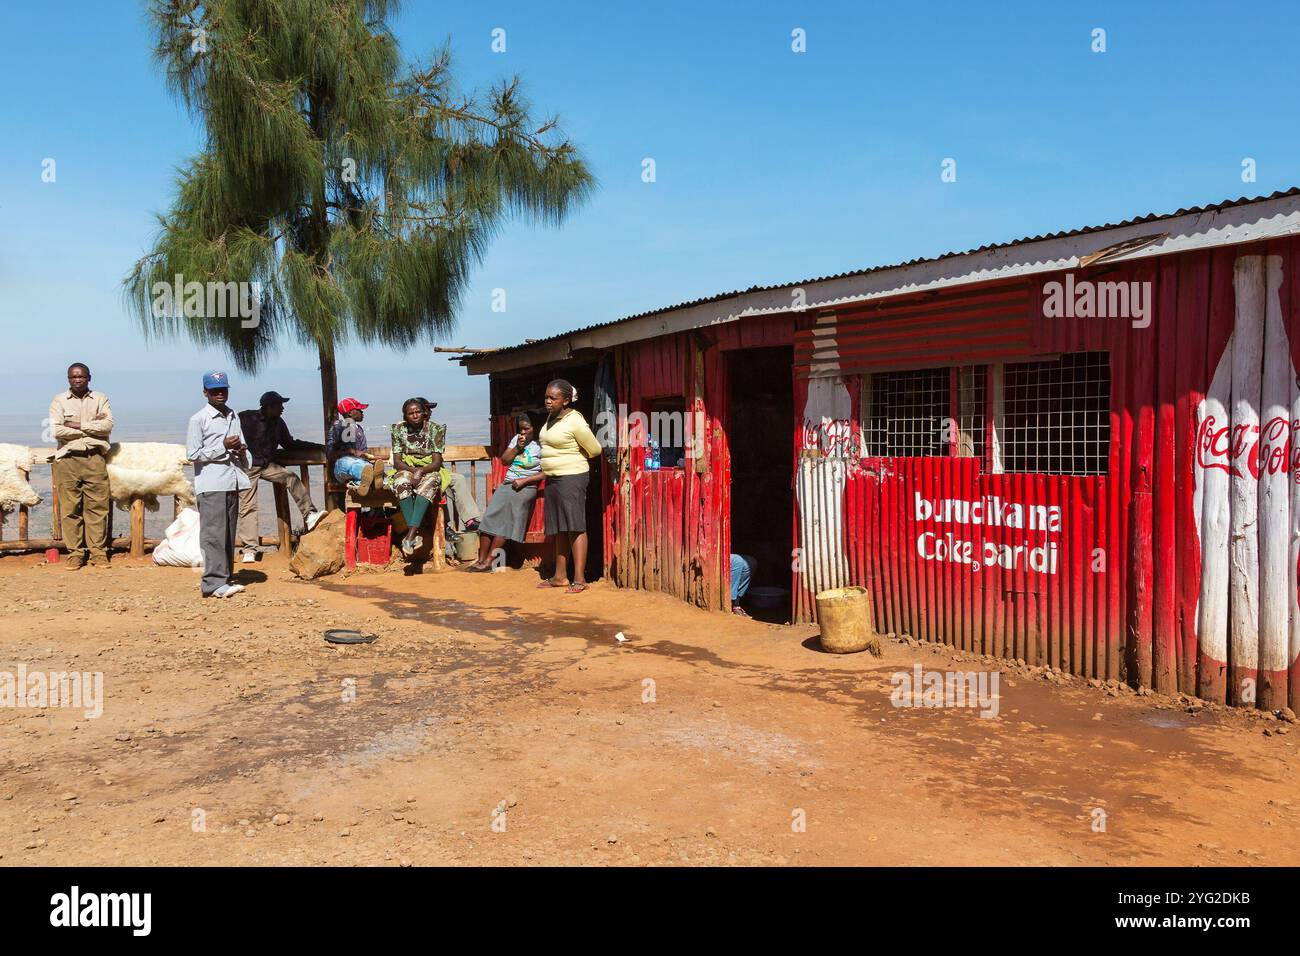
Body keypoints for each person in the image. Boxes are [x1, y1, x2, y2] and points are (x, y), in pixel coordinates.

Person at [384, 397, 481, 557]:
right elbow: (397, 461)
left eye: (419, 411)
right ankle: (416, 532)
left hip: (429, 468)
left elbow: (436, 461)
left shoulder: (435, 429)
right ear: (405, 415)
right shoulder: (399, 430)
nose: (416, 415)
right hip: (407, 467)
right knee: (401, 481)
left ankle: (414, 534)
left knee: (439, 481)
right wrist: (413, 470)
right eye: (411, 413)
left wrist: (420, 471)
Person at [236, 390, 325, 562]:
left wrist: (317, 447)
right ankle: (249, 549)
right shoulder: (246, 418)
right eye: (279, 405)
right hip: (247, 468)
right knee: (248, 506)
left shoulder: (279, 423)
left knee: (291, 477)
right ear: (268, 406)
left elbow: (289, 443)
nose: (282, 408)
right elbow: (230, 434)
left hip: (267, 466)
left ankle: (309, 514)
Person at [186, 371, 249, 598]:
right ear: (205, 392)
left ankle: (225, 577)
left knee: (228, 532)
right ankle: (212, 583)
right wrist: (222, 446)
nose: (220, 394)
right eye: (214, 390)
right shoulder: (198, 419)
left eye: (223, 389)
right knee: (213, 533)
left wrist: (241, 450)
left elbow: (242, 445)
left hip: (231, 480)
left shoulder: (233, 416)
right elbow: (193, 454)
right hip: (211, 483)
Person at [536, 379, 602, 593]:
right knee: (559, 528)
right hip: (553, 478)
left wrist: (573, 457)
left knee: (574, 526)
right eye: (546, 397)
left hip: (571, 477)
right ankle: (560, 576)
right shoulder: (551, 418)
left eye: (552, 398)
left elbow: (594, 449)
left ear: (565, 400)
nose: (547, 401)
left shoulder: (575, 420)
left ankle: (580, 579)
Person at [49, 363, 114, 569]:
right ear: (68, 379)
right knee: (70, 509)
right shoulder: (59, 400)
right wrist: (92, 427)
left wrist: (77, 425)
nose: (78, 380)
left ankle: (98, 553)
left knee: (97, 507)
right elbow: (57, 431)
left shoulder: (100, 398)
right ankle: (75, 553)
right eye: (73, 377)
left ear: (89, 378)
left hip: (94, 458)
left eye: (82, 377)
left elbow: (107, 426)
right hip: (67, 459)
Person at [466, 413, 544, 572]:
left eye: (526, 429)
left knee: (506, 524)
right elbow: (504, 460)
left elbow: (548, 472)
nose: (523, 433)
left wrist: (525, 481)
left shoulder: (542, 446)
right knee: (489, 519)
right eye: (521, 429)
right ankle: (480, 559)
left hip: (526, 487)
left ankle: (489, 561)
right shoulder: (517, 440)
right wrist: (517, 448)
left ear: (535, 429)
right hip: (508, 483)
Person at [327, 397, 377, 493]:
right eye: (359, 410)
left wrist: (362, 454)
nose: (362, 412)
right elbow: (330, 454)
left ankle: (365, 481)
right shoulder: (338, 426)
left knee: (365, 465)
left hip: (359, 463)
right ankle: (366, 480)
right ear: (350, 413)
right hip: (341, 467)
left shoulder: (359, 429)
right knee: (352, 464)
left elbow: (363, 452)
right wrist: (350, 452)